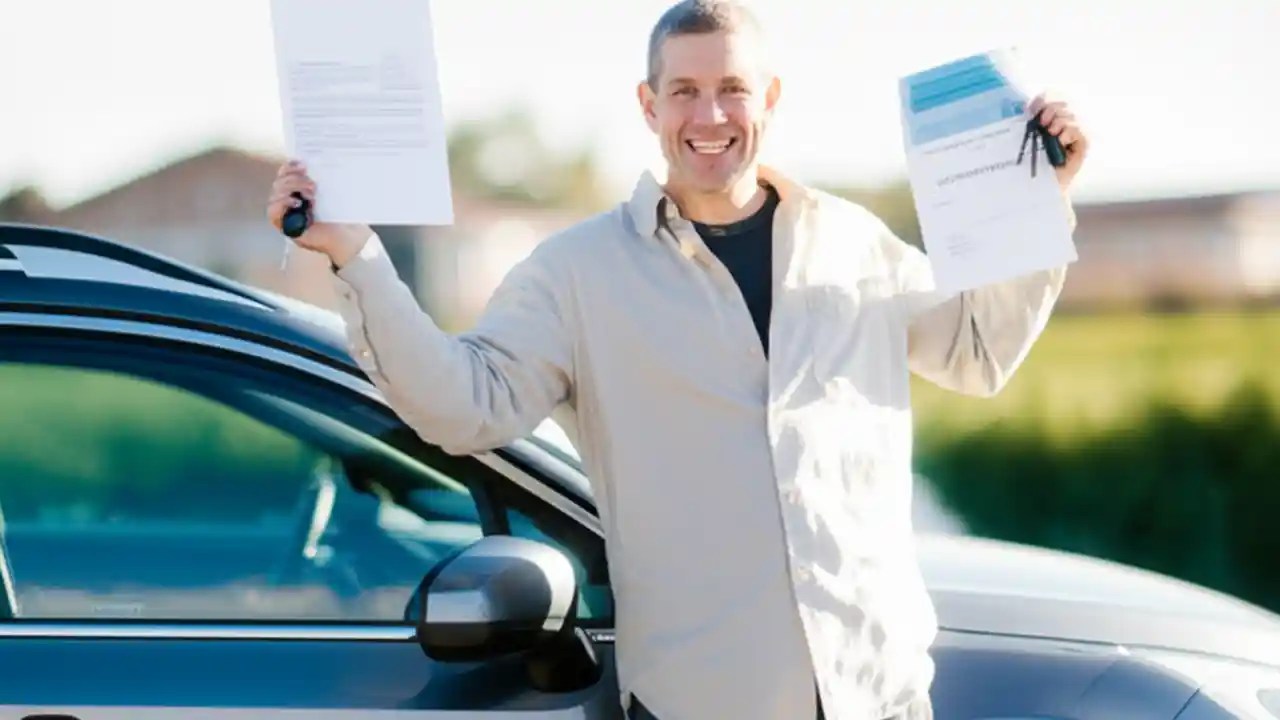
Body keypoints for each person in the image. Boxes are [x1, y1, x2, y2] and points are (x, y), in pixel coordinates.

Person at [266, 2, 1089, 718]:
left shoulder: (855, 245)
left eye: (732, 88)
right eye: (686, 91)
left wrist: (1039, 202)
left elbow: (978, 352)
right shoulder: (576, 275)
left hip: (880, 699)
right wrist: (356, 255)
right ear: (648, 104)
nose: (710, 115)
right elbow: (461, 403)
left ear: (769, 98)